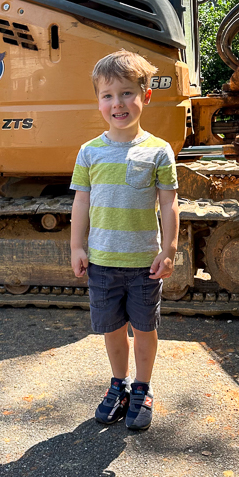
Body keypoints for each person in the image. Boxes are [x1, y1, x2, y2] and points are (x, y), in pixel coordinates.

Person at [70, 50, 179, 431]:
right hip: (102, 263)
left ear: (145, 96)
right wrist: (77, 247)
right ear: (98, 100)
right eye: (108, 95)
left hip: (143, 265)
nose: (118, 103)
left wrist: (169, 248)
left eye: (127, 93)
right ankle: (119, 383)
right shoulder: (89, 152)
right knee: (112, 330)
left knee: (145, 329)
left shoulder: (158, 151)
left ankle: (143, 387)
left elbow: (168, 203)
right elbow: (81, 201)